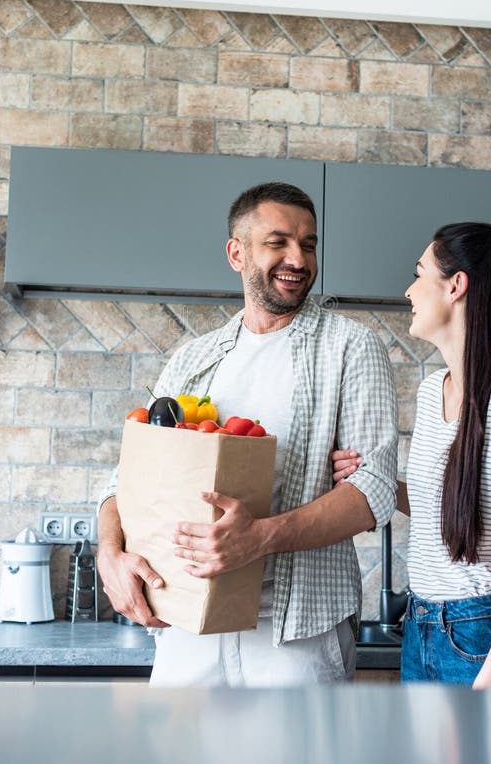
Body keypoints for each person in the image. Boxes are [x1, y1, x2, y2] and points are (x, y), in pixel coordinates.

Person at [97, 181, 398, 687]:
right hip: (186, 624)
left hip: (295, 635)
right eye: (278, 242)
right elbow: (125, 480)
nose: (298, 259)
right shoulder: (193, 360)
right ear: (237, 253)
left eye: (309, 244)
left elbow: (373, 494)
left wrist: (258, 539)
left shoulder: (351, 348)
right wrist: (109, 554)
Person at [333, 222, 491, 687]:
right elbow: (449, 506)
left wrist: (488, 689)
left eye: (420, 273)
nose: (409, 289)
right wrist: (371, 480)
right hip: (423, 631)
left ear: (456, 286)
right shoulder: (432, 389)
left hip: (484, 636)